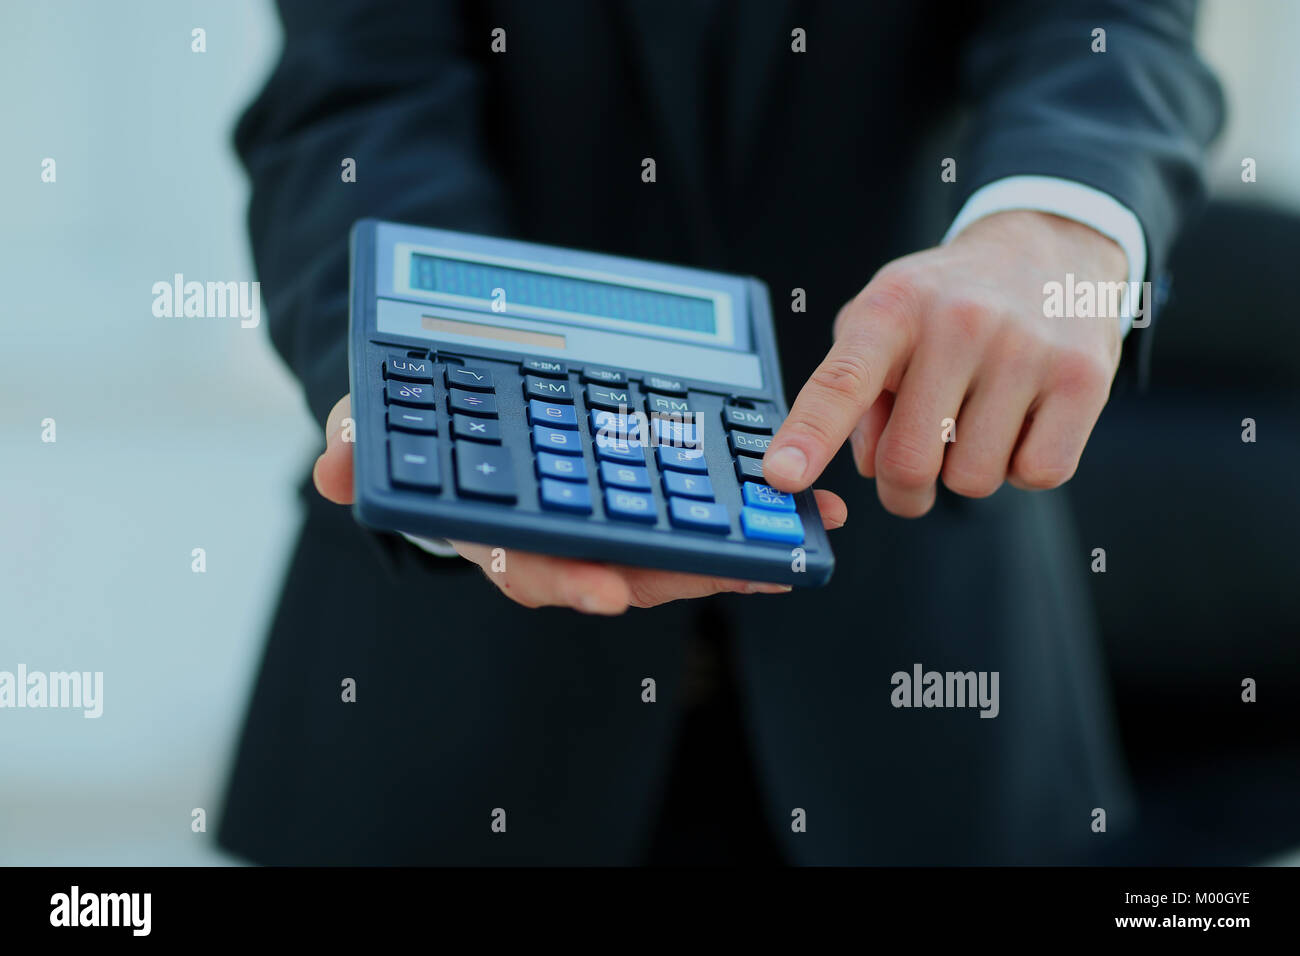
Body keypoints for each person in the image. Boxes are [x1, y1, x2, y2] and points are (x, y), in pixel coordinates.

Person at [217, 0, 1223, 864]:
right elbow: (355, 92)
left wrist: (1055, 222)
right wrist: (437, 407)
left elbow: (1103, 21)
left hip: (923, 671)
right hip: (451, 702)